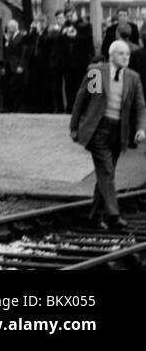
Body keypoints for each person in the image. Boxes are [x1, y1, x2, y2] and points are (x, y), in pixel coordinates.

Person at [69, 39, 146, 230]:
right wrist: (74, 126)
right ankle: (114, 215)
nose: (125, 57)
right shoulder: (97, 72)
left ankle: (95, 215)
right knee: (107, 170)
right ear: (111, 56)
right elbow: (82, 99)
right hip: (98, 129)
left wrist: (141, 128)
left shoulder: (132, 77)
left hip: (119, 132)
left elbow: (140, 106)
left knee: (105, 173)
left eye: (127, 54)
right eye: (121, 54)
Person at [61, 6, 94, 114]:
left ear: (75, 13)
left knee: (80, 86)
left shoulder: (85, 25)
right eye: (67, 16)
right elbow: (60, 43)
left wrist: (76, 36)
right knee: (69, 87)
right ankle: (70, 108)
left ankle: (80, 109)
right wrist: (63, 34)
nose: (69, 18)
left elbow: (89, 44)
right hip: (67, 62)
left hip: (81, 62)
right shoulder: (65, 26)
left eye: (70, 15)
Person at [2, 19, 31, 112]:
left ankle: (17, 107)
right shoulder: (11, 38)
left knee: (17, 86)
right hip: (10, 66)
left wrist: (21, 65)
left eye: (9, 27)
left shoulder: (21, 37)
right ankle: (11, 107)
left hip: (17, 65)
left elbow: (24, 52)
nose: (8, 29)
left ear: (14, 27)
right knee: (11, 86)